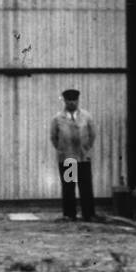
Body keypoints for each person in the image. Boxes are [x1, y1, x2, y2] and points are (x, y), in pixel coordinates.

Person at [50, 89, 96, 222]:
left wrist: (87, 148)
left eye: (74, 100)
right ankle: (70, 214)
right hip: (68, 157)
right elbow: (53, 137)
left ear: (78, 100)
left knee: (86, 186)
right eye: (69, 100)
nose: (72, 103)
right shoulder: (58, 118)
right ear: (64, 101)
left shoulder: (86, 116)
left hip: (82, 157)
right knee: (69, 186)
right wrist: (62, 150)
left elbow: (92, 134)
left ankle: (88, 214)